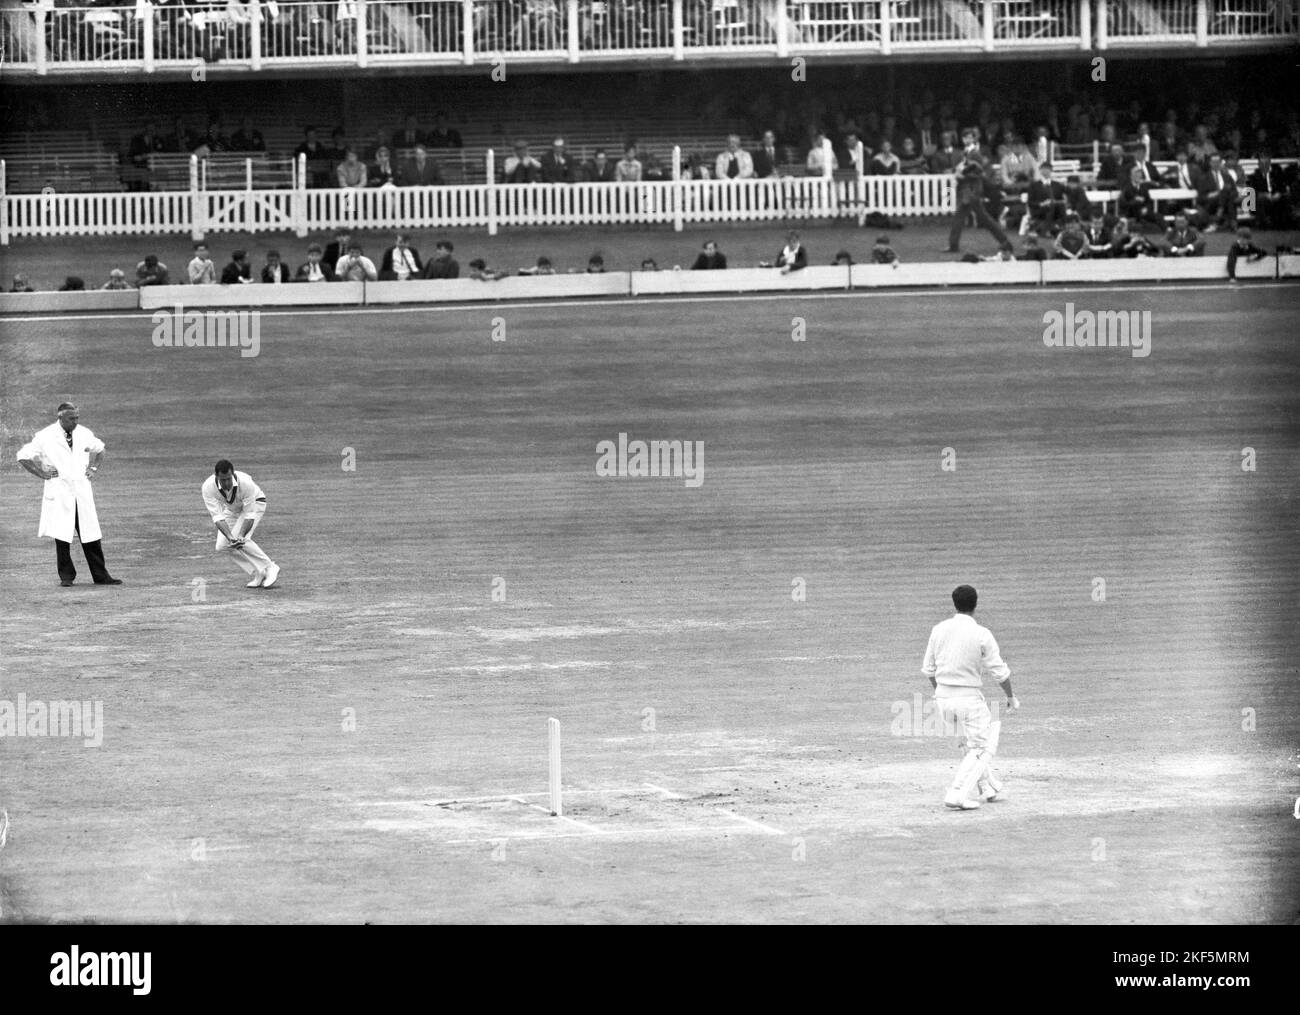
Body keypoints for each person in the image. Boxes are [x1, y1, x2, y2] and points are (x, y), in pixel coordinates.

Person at [921, 585, 1018, 810]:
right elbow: (999, 671)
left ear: (954, 604)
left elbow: (928, 669)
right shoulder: (982, 634)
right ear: (975, 605)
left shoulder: (938, 630)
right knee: (982, 747)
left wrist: (942, 693)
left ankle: (988, 787)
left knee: (968, 745)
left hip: (943, 700)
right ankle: (957, 794)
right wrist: (1011, 698)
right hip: (969, 700)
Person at [15, 402, 123, 586]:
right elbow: (22, 456)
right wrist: (41, 474)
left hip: (81, 491)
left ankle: (101, 576)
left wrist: (94, 468)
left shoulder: (84, 433)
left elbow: (101, 449)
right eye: (71, 418)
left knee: (91, 535)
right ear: (60, 418)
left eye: (77, 418)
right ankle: (66, 577)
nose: (75, 422)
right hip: (60, 492)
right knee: (62, 536)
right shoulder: (45, 436)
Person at [201, 459, 280, 589]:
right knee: (222, 546)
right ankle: (259, 572)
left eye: (228, 479)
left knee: (242, 540)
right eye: (223, 480)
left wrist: (241, 535)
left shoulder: (246, 483)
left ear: (232, 474)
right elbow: (217, 517)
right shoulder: (208, 487)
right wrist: (230, 537)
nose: (226, 483)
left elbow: (249, 515)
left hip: (256, 504)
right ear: (216, 477)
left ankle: (270, 567)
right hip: (232, 509)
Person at [946, 132, 1009, 253]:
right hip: (967, 188)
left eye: (969, 137)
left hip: (972, 189)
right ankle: (1004, 242)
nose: (966, 139)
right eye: (965, 137)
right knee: (975, 218)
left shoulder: (976, 153)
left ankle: (1005, 242)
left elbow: (978, 172)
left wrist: (962, 175)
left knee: (981, 218)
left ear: (974, 139)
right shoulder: (964, 153)